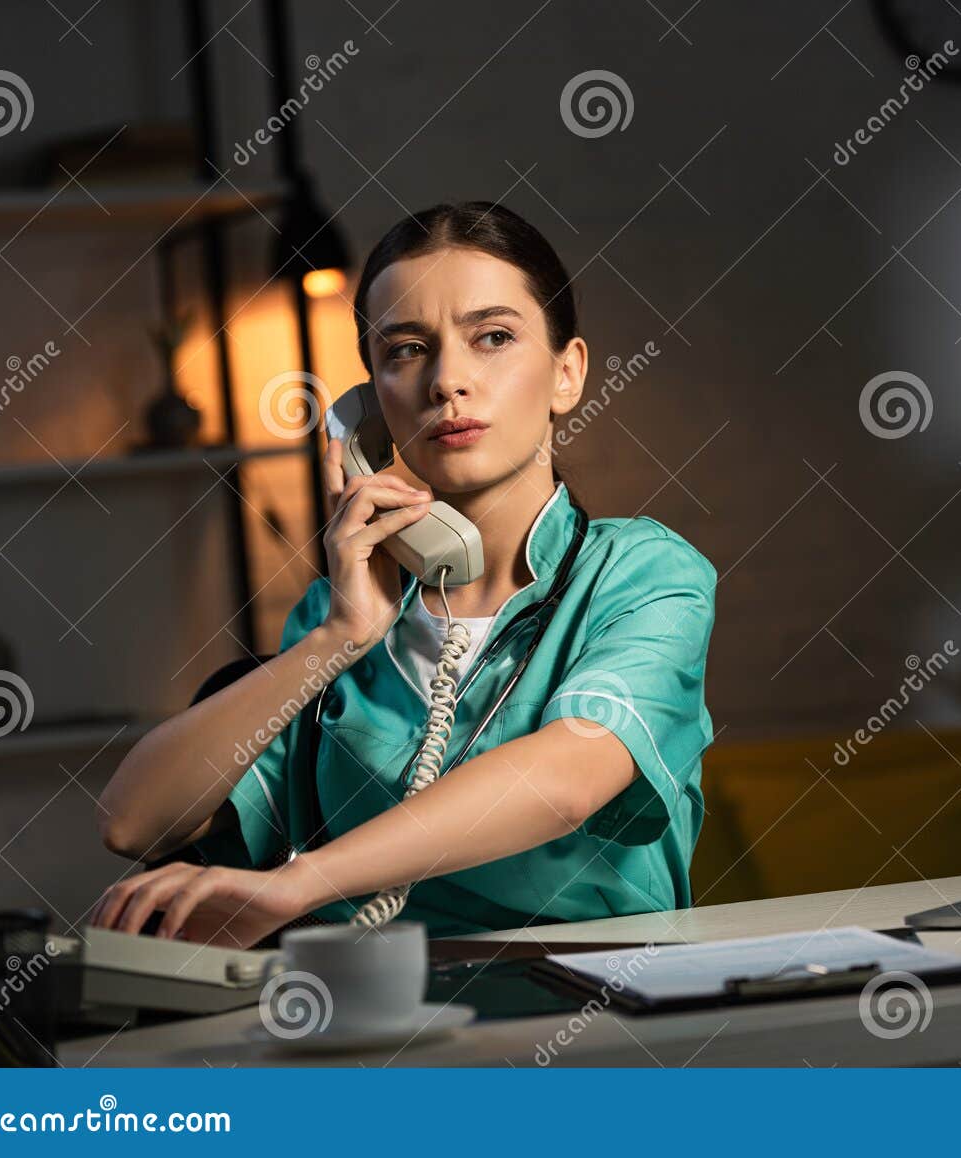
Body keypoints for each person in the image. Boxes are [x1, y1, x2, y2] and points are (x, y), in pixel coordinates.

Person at [89, 201, 716, 947]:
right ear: (368, 411)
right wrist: (338, 637)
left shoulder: (644, 576)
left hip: (591, 1017)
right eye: (406, 350)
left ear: (567, 374)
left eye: (493, 338)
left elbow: (563, 783)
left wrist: (301, 883)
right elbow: (132, 821)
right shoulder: (344, 616)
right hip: (372, 1023)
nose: (448, 379)